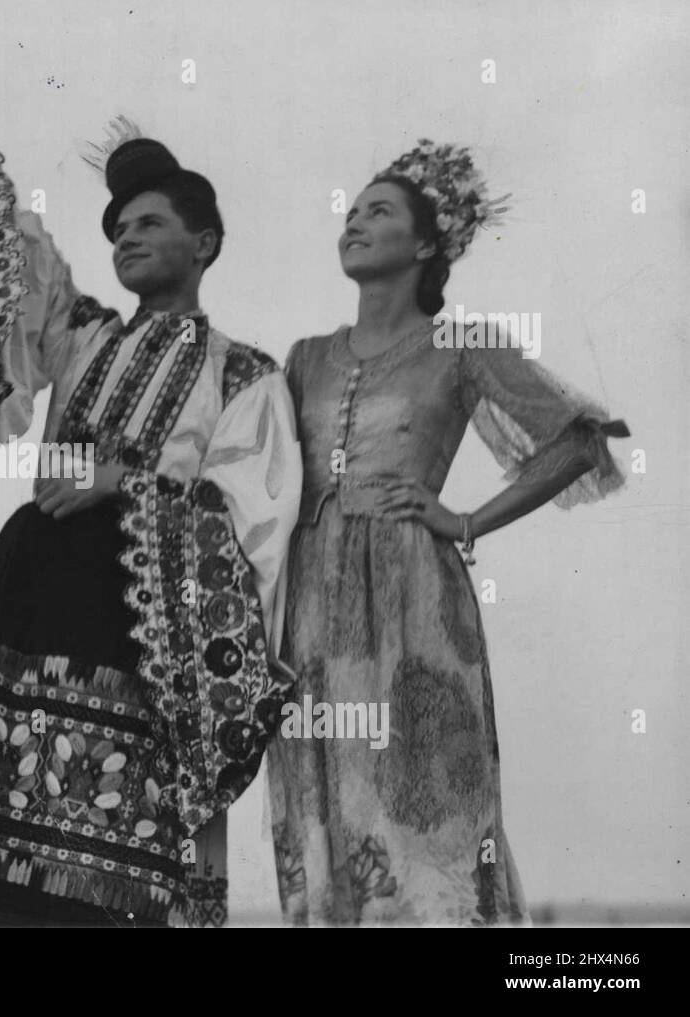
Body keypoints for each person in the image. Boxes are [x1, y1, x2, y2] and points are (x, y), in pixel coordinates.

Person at [0, 3, 301, 927]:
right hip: (30, 591)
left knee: (117, 868)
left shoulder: (245, 373)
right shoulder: (81, 336)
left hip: (145, 628)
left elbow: (256, 527)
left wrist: (127, 483)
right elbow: (4, 252)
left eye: (151, 222)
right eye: (116, 229)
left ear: (207, 242)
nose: (126, 237)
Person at [264, 140, 630, 925]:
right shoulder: (303, 359)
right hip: (312, 616)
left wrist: (466, 520)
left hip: (415, 604)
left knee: (427, 806)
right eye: (352, 211)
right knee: (325, 805)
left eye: (380, 210)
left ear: (427, 244)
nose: (356, 221)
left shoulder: (461, 346)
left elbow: (579, 439)